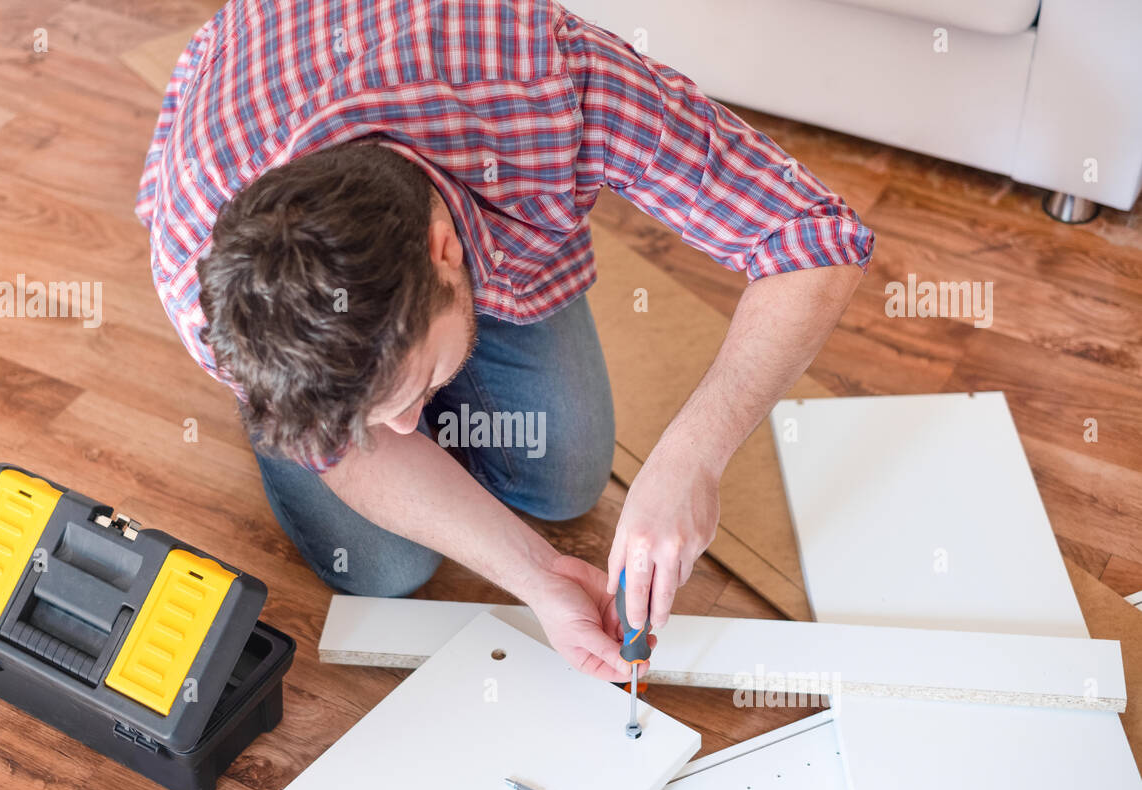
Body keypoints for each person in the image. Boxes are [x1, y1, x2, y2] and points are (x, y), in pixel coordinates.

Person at [136, 0, 874, 683]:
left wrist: (692, 457)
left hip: (477, 154)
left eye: (415, 390)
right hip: (268, 83)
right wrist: (538, 577)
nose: (400, 431)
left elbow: (814, 236)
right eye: (378, 411)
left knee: (564, 481)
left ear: (442, 250)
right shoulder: (204, 268)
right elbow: (367, 439)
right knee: (383, 569)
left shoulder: (551, 84)